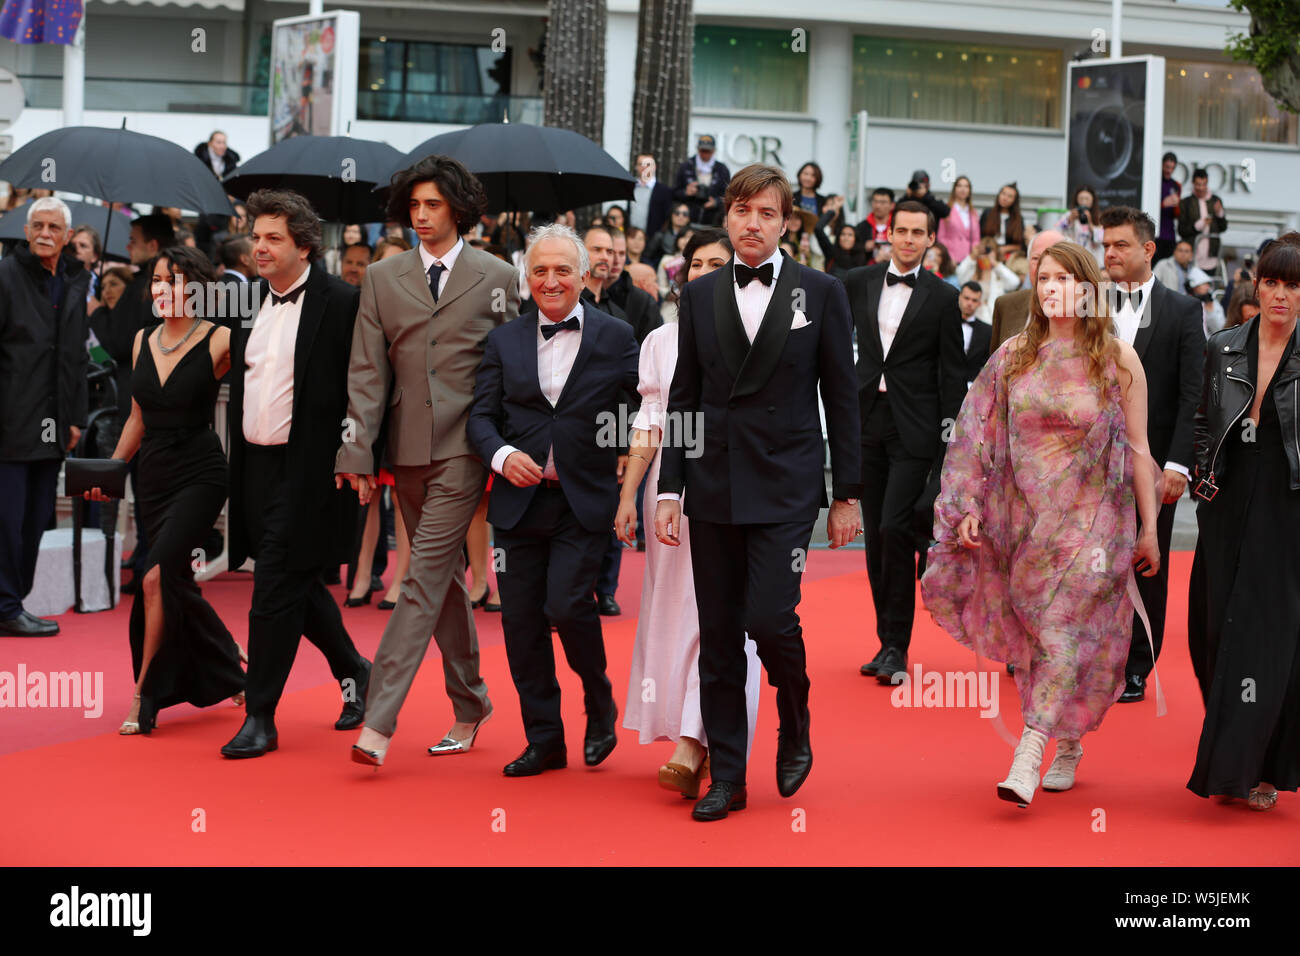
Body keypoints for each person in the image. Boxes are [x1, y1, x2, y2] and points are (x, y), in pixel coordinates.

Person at [656, 164, 863, 821]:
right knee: (718, 635)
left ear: (785, 222)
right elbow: (683, 395)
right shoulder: (700, 294)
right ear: (728, 215)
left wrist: (846, 492)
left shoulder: (821, 293)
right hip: (713, 482)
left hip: (786, 483)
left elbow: (843, 398)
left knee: (768, 618)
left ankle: (794, 708)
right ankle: (729, 777)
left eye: (766, 213)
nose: (752, 222)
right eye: (741, 210)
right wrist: (669, 487)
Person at [921, 240, 1161, 806]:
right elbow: (974, 433)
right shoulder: (1014, 355)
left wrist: (1150, 528)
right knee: (1045, 640)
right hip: (1025, 526)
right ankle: (1070, 739)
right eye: (1045, 278)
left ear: (1088, 289)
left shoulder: (1118, 359)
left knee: (1061, 630)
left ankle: (1028, 751)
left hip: (1096, 526)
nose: (1053, 288)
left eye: (1066, 279)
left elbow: (1138, 445)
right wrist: (969, 504)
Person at [337, 156, 519, 767]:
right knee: (439, 585)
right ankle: (472, 703)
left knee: (417, 580)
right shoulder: (383, 278)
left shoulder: (496, 274)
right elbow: (367, 371)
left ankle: (378, 721)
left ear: (459, 209)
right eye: (413, 205)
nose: (421, 215)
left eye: (433, 205)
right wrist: (356, 451)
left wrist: (511, 449)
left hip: (467, 449)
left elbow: (514, 364)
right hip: (404, 451)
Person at [468, 222, 639, 777]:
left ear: (584, 276)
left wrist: (624, 453)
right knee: (520, 624)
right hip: (519, 502)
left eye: (563, 269)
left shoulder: (616, 335)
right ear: (526, 278)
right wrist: (499, 456)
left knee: (567, 605)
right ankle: (544, 738)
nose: (551, 280)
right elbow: (480, 418)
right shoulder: (503, 340)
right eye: (539, 270)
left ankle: (598, 699)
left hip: (583, 499)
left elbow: (642, 405)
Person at [220, 189, 372, 759]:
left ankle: (260, 714)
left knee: (271, 588)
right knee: (297, 583)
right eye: (256, 237)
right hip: (254, 465)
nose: (259, 247)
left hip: (309, 470)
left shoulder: (341, 301)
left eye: (272, 238)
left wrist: (358, 456)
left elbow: (364, 387)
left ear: (304, 245)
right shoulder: (246, 303)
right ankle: (356, 671)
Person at [616, 227, 762, 798]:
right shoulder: (660, 341)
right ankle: (688, 732)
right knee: (674, 612)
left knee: (720, 616)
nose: (703, 272)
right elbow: (651, 419)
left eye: (715, 263)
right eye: (695, 264)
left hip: (735, 485)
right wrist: (630, 494)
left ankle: (699, 741)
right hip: (671, 488)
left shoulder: (755, 328)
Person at [83, 247, 246, 733]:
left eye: (172, 281)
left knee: (154, 578)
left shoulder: (220, 339)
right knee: (173, 581)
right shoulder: (141, 340)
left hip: (201, 472)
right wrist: (109, 472)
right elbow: (136, 417)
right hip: (152, 476)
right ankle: (228, 658)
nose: (161, 290)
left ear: (195, 288)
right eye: (156, 280)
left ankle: (143, 695)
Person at [1187, 233, 1300, 811]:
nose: (1280, 294)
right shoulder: (1224, 344)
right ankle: (1231, 744)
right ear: (1257, 285)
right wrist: (1203, 480)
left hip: (1288, 501)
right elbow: (1205, 418)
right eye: (1272, 281)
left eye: (1293, 284)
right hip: (1227, 499)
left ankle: (1254, 767)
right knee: (1211, 629)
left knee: (1265, 636)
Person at [848, 199, 964, 684]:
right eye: (903, 231)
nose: (910, 239)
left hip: (914, 429)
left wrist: (948, 444)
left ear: (932, 239)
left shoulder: (941, 297)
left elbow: (952, 373)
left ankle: (898, 643)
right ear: (888, 234)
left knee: (896, 528)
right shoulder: (857, 283)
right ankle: (885, 640)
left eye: (919, 232)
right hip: (864, 420)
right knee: (875, 535)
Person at [1098, 206, 1206, 705]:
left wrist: (1179, 464)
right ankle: (1097, 658)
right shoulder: (1089, 307)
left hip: (1156, 464)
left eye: (1120, 245)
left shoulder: (1184, 311)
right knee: (1093, 562)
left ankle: (1139, 664)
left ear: (1147, 249)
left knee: (1147, 561)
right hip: (1092, 463)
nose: (1110, 253)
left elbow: (1193, 393)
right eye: (1105, 245)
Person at [0, 197, 88, 637]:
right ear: (27, 227)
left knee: (37, 518)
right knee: (7, 520)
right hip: (10, 420)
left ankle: (13, 602)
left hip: (53, 423)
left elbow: (73, 356)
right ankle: (6, 606)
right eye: (37, 225)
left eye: (54, 227)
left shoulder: (75, 280)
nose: (45, 233)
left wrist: (74, 417)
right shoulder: (6, 275)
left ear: (67, 236)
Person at [989, 230, 1065, 350]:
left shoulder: (1087, 311)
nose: (1042, 266)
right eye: (1036, 258)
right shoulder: (1005, 305)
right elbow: (994, 365)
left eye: (1053, 258)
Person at [955, 237, 1021, 324]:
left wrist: (994, 262)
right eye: (983, 251)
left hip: (991, 321)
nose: (985, 254)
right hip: (971, 319)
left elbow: (1015, 282)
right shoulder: (972, 271)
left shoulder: (998, 274)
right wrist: (972, 256)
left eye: (989, 251)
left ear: (995, 253)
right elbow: (959, 275)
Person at [672, 135, 730, 226]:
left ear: (714, 151)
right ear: (698, 149)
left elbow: (728, 196)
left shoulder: (722, 170)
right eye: (703, 150)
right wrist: (686, 192)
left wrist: (715, 202)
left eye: (708, 151)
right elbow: (674, 193)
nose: (705, 154)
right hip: (687, 222)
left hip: (712, 222)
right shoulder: (686, 167)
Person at [1178, 169, 1228, 274]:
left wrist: (1220, 214)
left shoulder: (1215, 200)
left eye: (1203, 184)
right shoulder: (1186, 202)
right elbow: (1181, 230)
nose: (1201, 188)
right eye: (1198, 184)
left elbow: (1223, 227)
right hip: (1192, 255)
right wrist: (1197, 226)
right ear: (1193, 183)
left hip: (1211, 256)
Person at [814, 195, 868, 280]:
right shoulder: (831, 253)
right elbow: (818, 228)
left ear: (855, 239)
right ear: (838, 238)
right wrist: (834, 209)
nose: (846, 237)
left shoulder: (862, 257)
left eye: (850, 235)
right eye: (843, 234)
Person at [629, 154, 672, 244]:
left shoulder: (664, 191)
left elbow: (667, 218)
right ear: (636, 167)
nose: (644, 167)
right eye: (641, 164)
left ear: (654, 167)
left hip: (653, 242)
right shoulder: (630, 187)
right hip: (631, 239)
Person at [1056, 185, 1104, 265]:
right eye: (1081, 199)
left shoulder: (1099, 217)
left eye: (1087, 199)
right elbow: (1057, 230)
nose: (1084, 202)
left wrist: (1090, 224)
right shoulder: (1069, 215)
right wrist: (1070, 219)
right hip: (1073, 259)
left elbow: (1101, 238)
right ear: (1076, 200)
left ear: (1093, 201)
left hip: (1092, 260)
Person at [957, 281, 990, 389]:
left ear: (979, 303)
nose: (970, 303)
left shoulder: (987, 331)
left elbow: (987, 364)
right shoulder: (945, 323)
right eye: (966, 298)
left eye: (974, 300)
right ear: (959, 297)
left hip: (973, 389)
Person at [938, 175, 980, 261]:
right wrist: (948, 256)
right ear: (954, 189)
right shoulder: (947, 209)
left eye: (966, 186)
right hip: (951, 257)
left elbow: (976, 238)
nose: (963, 189)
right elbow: (941, 237)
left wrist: (973, 254)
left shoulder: (973, 212)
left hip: (969, 258)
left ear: (969, 190)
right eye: (959, 186)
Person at [979, 182, 1026, 260]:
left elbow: (1021, 244)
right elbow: (980, 236)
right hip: (987, 254)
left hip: (1009, 257)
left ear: (1014, 200)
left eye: (1010, 196)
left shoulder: (1018, 219)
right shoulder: (988, 213)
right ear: (999, 195)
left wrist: (1005, 249)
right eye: (1003, 194)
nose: (1005, 198)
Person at [1155, 152, 1182, 263]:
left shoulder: (1176, 185)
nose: (1168, 170)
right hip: (1156, 232)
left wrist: (1177, 206)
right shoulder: (1155, 181)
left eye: (1171, 168)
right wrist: (1162, 204)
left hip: (1169, 234)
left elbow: (1177, 214)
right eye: (1167, 167)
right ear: (1162, 165)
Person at [1186, 267, 1226, 336]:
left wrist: (1210, 312)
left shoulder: (1213, 303)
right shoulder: (1186, 303)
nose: (1207, 287)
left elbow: (1220, 328)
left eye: (1208, 284)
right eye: (1204, 284)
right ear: (1195, 287)